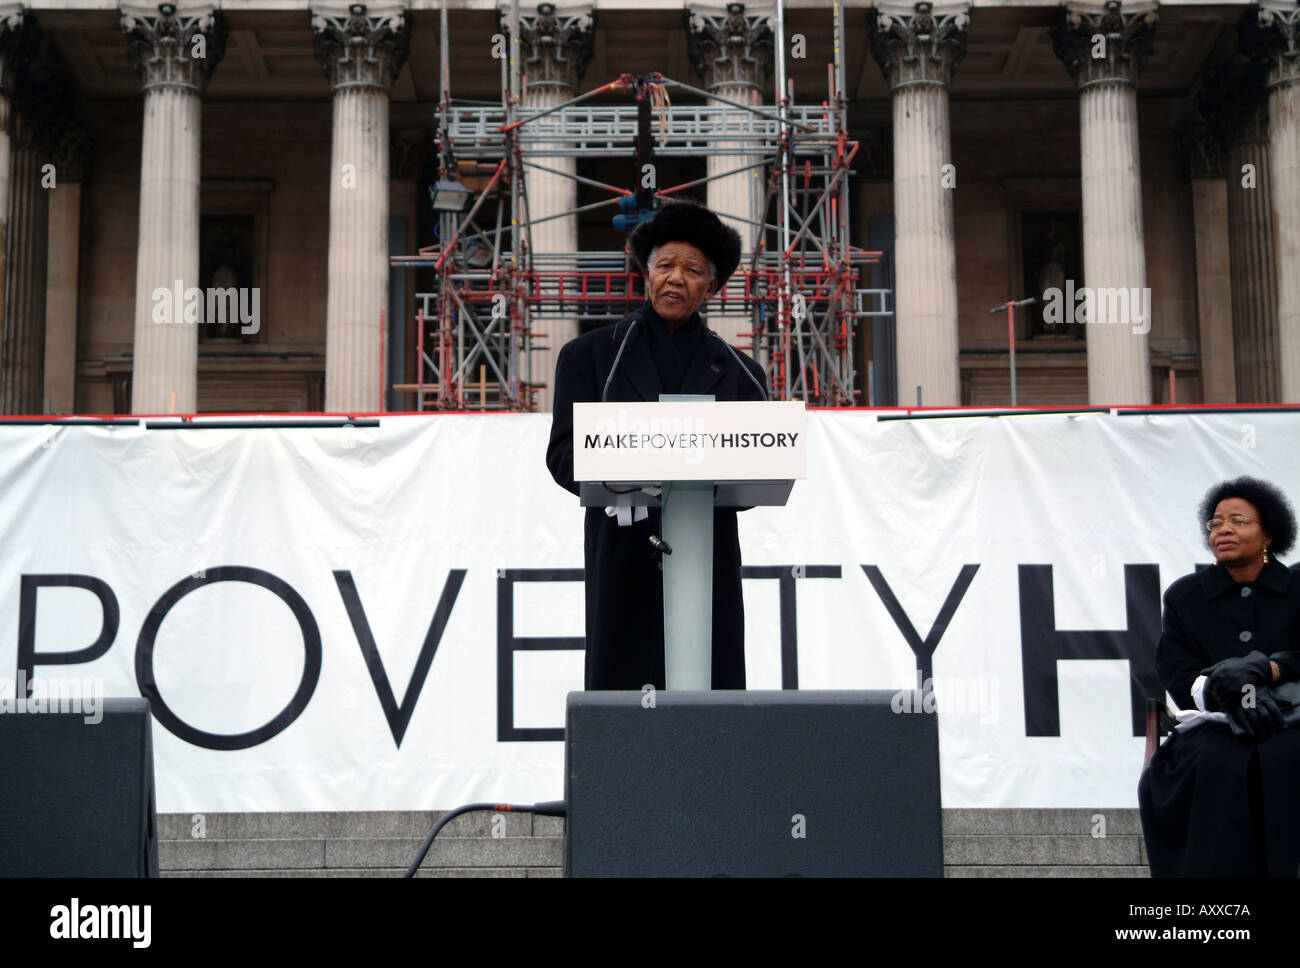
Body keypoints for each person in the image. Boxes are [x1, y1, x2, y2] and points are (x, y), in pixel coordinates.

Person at [545, 201, 768, 690]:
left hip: (706, 556)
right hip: (622, 552)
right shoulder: (590, 356)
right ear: (645, 274)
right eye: (665, 265)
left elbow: (760, 467)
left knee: (711, 695)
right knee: (623, 702)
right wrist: (635, 469)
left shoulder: (743, 373)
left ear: (711, 286)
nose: (675, 279)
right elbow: (562, 456)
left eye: (692, 270)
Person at [1138, 476, 1300, 876]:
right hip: (1217, 725)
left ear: (1268, 534)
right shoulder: (1185, 595)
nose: (1223, 529)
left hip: (1293, 719)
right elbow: (1176, 670)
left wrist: (1271, 668)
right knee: (1214, 762)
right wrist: (1226, 690)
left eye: (1239, 521)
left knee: (1286, 758)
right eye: (1215, 523)